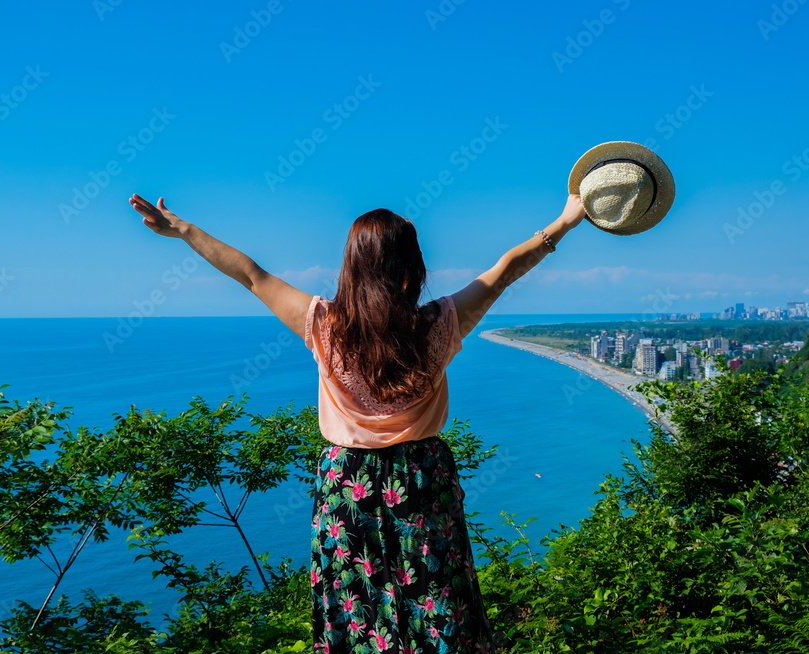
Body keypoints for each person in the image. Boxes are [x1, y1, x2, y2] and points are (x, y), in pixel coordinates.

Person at [129, 192, 587, 653]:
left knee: (355, 607)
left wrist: (183, 230)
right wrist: (566, 221)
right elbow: (506, 269)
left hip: (346, 481)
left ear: (352, 265)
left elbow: (251, 275)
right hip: (421, 477)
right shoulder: (440, 323)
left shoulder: (324, 325)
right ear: (413, 266)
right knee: (438, 597)